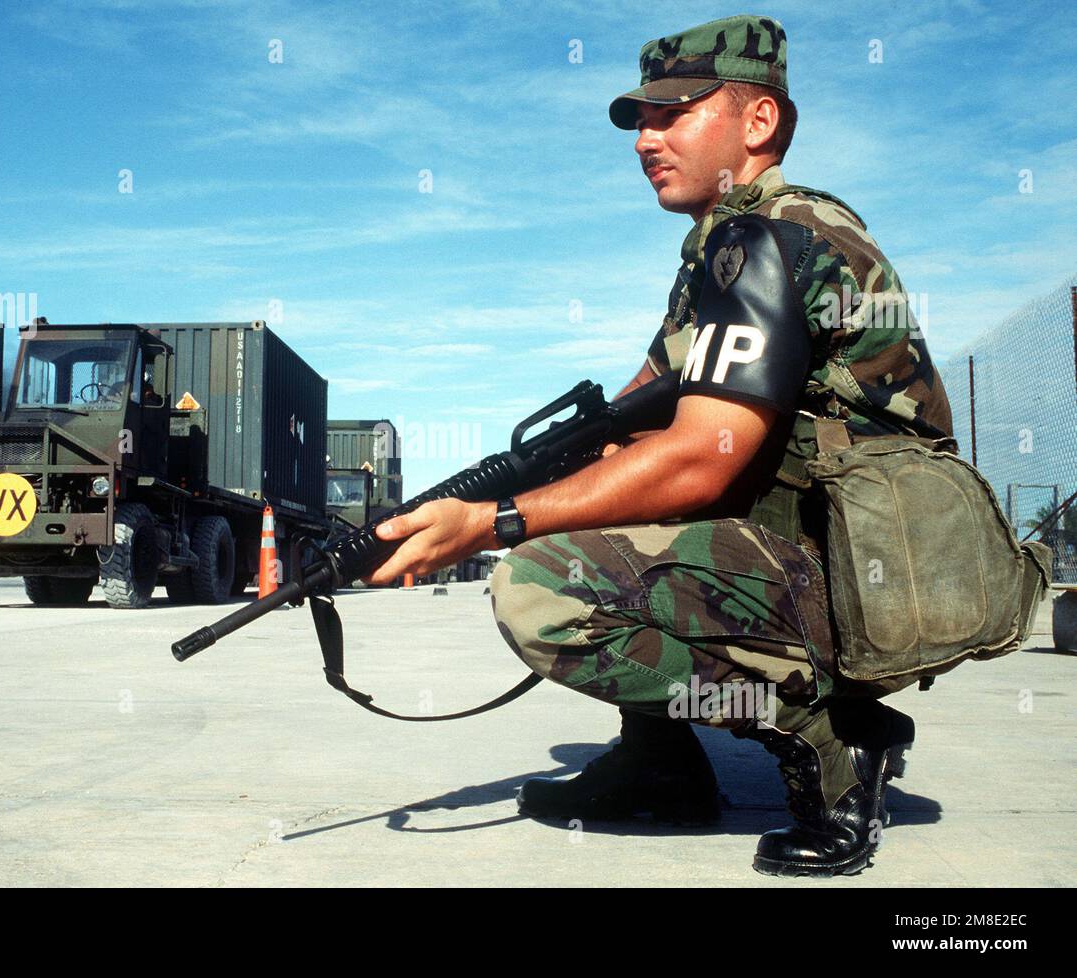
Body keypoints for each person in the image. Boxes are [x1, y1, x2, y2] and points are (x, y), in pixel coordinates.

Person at [365, 13, 953, 877]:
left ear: (758, 124)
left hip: (870, 579)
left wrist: (493, 521)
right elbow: (644, 420)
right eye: (642, 119)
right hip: (824, 554)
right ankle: (661, 766)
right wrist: (570, 472)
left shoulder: (778, 239)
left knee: (540, 586)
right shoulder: (722, 249)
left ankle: (837, 739)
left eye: (674, 113)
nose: (646, 138)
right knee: (591, 508)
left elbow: (701, 455)